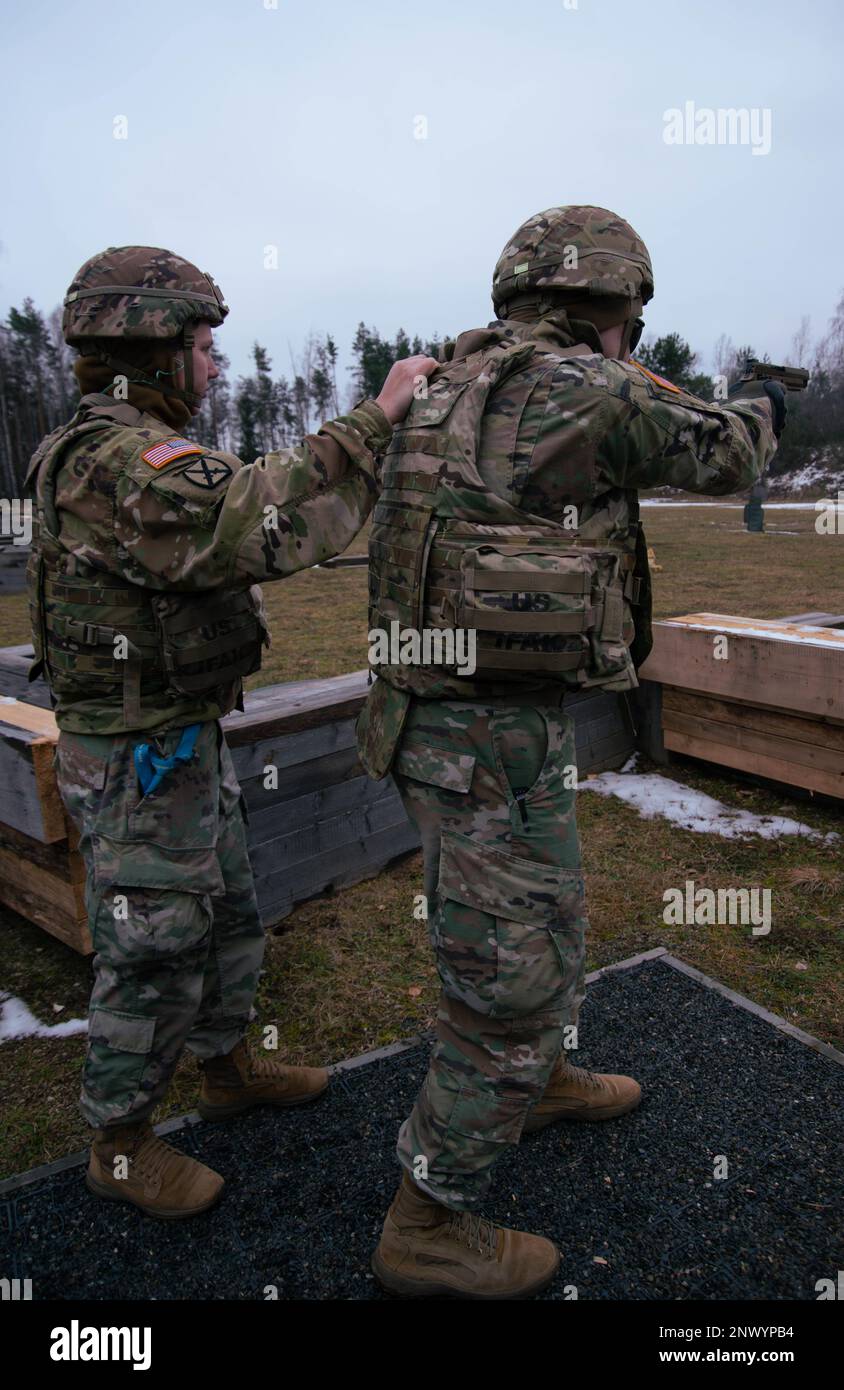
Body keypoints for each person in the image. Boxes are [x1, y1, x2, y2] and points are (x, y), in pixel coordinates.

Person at [356, 204, 784, 1298]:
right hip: (477, 727)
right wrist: (758, 402)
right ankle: (428, 1218)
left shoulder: (446, 379)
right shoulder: (585, 384)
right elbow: (724, 452)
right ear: (609, 309)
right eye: (630, 317)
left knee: (550, 915)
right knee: (510, 976)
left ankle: (538, 1083)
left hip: (468, 713)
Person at [24, 244, 436, 1220]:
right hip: (135, 755)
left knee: (222, 915)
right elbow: (268, 521)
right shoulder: (119, 459)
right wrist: (376, 419)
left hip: (172, 737)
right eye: (203, 348)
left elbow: (264, 509)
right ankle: (119, 1144)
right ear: (153, 352)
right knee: (153, 943)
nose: (213, 367)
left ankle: (224, 1070)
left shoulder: (116, 447)